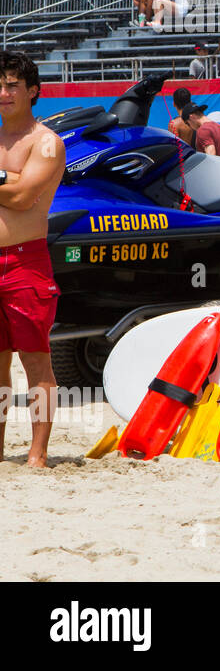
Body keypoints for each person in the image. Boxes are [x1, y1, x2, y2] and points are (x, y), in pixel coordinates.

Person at [0, 50, 65, 468]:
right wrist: (11, 178)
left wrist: (12, 182)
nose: (3, 93)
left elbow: (25, 199)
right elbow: (17, 188)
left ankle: (37, 454)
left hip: (26, 263)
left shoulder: (46, 142)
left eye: (12, 85)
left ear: (33, 91)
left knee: (36, 361)